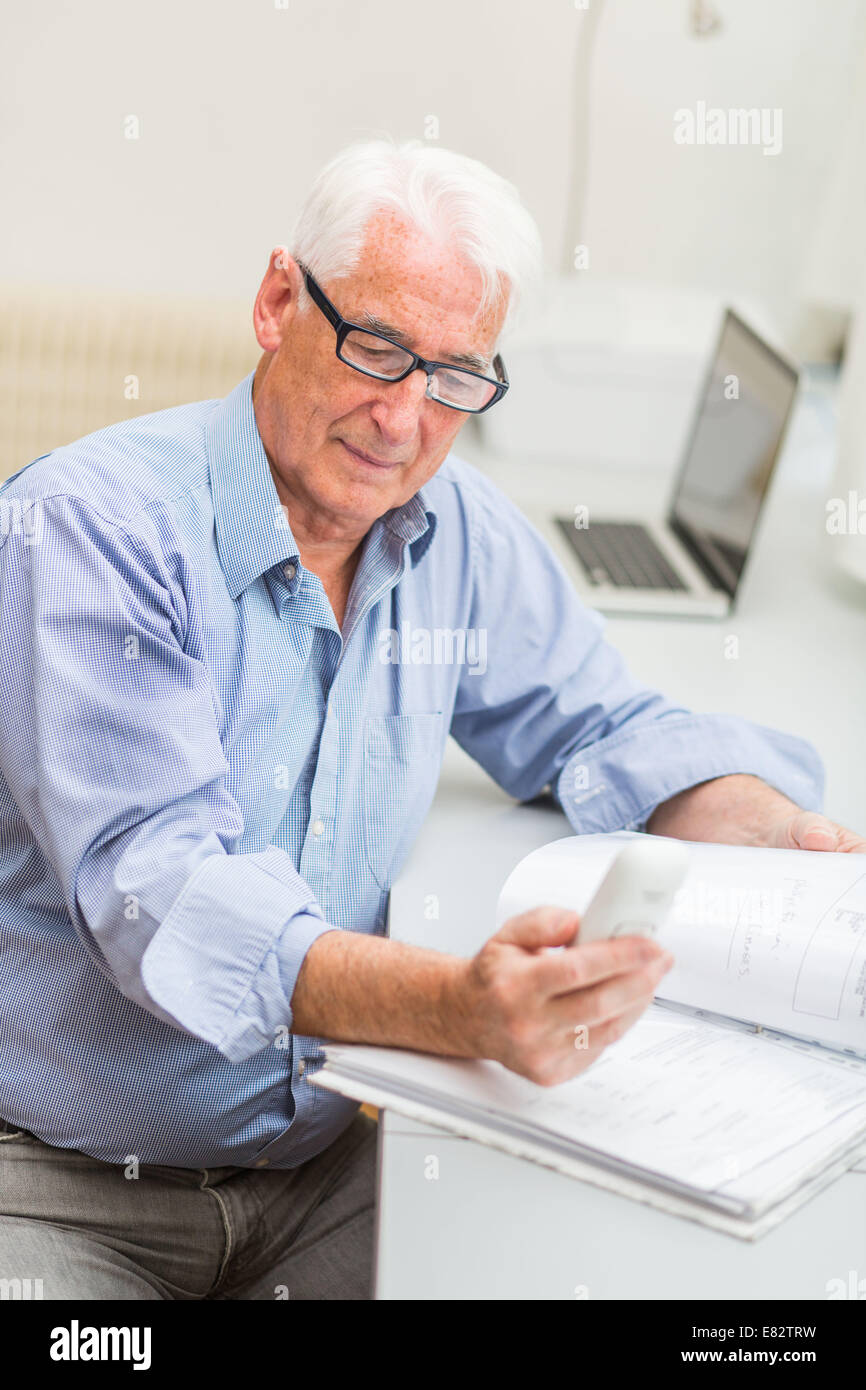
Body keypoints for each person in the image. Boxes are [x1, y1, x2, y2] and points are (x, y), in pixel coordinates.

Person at [0, 138, 860, 1302]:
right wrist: (451, 1008)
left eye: (457, 376)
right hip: (57, 1188)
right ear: (274, 301)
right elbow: (165, 895)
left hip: (321, 1165)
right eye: (378, 348)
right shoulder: (91, 530)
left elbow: (601, 721)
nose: (404, 417)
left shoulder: (447, 526)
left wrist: (781, 836)